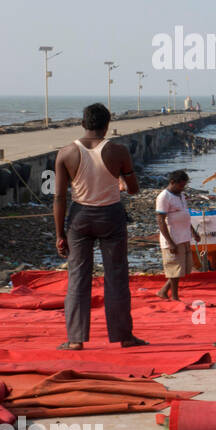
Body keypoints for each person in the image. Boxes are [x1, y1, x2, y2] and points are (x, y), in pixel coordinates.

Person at [53, 103, 147, 350]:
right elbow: (134, 188)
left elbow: (59, 197)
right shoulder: (119, 151)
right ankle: (124, 336)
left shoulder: (66, 153)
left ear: (83, 123)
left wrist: (59, 233)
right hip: (111, 216)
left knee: (77, 277)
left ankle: (75, 339)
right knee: (116, 276)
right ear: (107, 125)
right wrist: (122, 183)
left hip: (78, 217)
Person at [155, 170, 193, 301]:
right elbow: (160, 220)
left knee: (182, 269)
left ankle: (163, 290)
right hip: (173, 238)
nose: (182, 188)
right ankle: (174, 296)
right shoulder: (164, 197)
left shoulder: (181, 195)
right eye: (181, 185)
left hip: (184, 236)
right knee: (174, 268)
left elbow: (185, 214)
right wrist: (170, 242)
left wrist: (193, 232)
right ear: (172, 183)